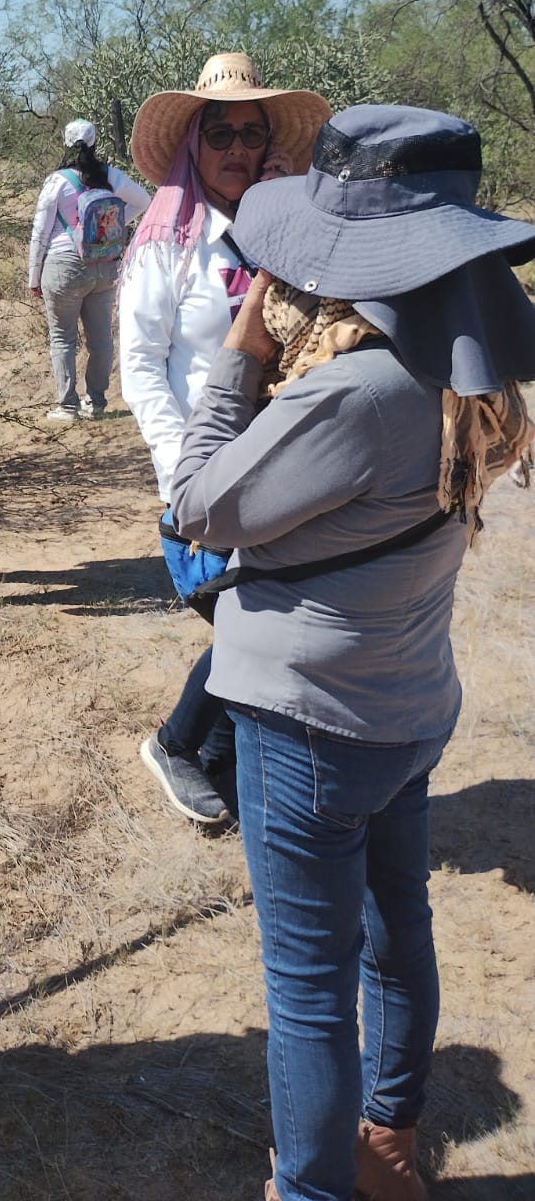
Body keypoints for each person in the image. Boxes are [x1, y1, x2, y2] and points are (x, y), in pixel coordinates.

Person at [170, 104, 535, 1201]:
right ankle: (388, 1147)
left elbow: (198, 502)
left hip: (308, 721)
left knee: (307, 988)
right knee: (396, 933)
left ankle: (313, 1189)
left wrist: (241, 357)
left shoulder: (354, 388)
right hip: (406, 703)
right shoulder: (465, 371)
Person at [118, 53, 330, 823]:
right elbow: (141, 368)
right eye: (221, 134)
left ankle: (215, 760)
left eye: (252, 133)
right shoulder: (168, 243)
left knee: (276, 621)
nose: (237, 148)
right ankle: (181, 743)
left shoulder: (288, 227)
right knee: (257, 625)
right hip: (205, 476)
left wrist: (289, 207)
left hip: (284, 466)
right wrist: (183, 474)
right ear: (193, 144)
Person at [27, 118, 150, 423]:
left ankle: (67, 406)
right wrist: (113, 227)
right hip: (105, 264)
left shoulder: (57, 181)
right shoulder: (110, 175)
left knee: (62, 337)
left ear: (65, 144)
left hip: (64, 265)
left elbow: (40, 232)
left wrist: (33, 276)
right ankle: (96, 402)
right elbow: (143, 200)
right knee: (101, 338)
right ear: (95, 143)